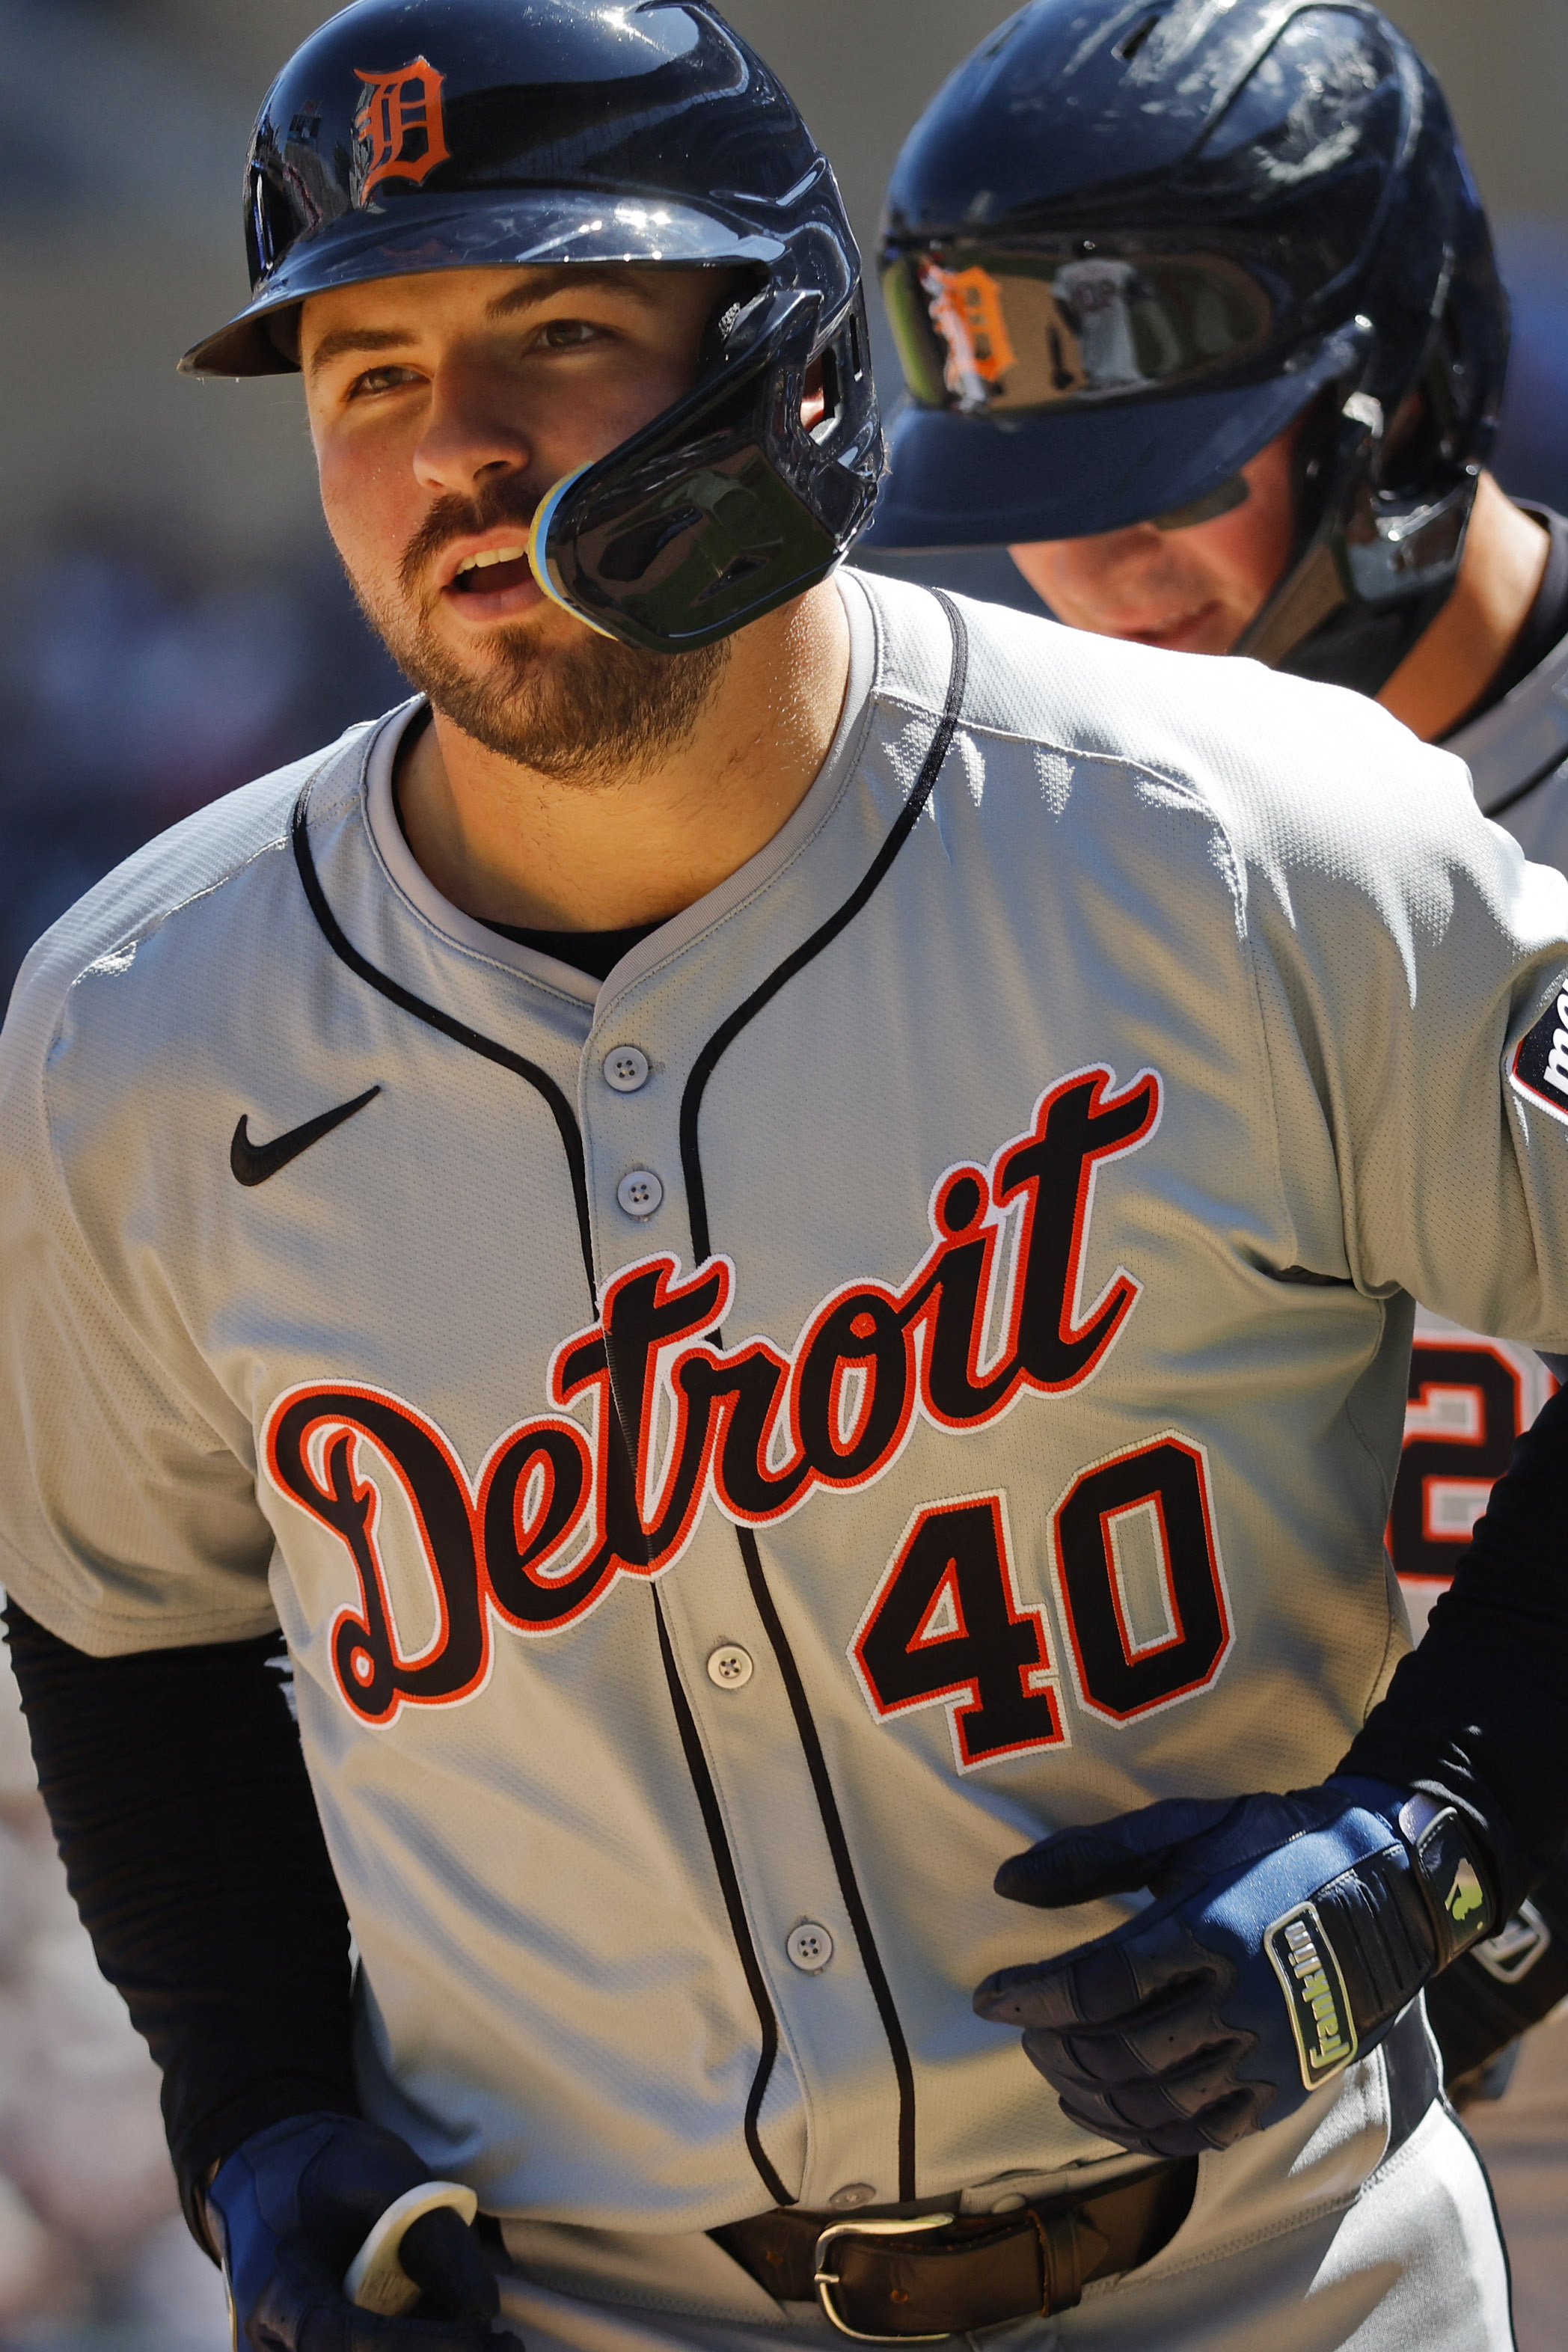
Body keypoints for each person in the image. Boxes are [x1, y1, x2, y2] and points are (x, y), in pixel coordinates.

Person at [5, 4, 1568, 2349]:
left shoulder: (1248, 844)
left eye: (555, 333)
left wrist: (1442, 1839)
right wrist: (242, 2102)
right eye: (365, 372)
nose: (460, 449)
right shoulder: (137, 1023)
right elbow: (127, 1630)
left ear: (796, 373)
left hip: (1283, 2279)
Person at [869, 0, 1568, 2107]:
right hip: (1243, 2075)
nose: (1094, 564)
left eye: (1171, 472)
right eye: (1035, 487)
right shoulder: (1012, 846)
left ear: (1413, 398)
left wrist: (1456, 1848)